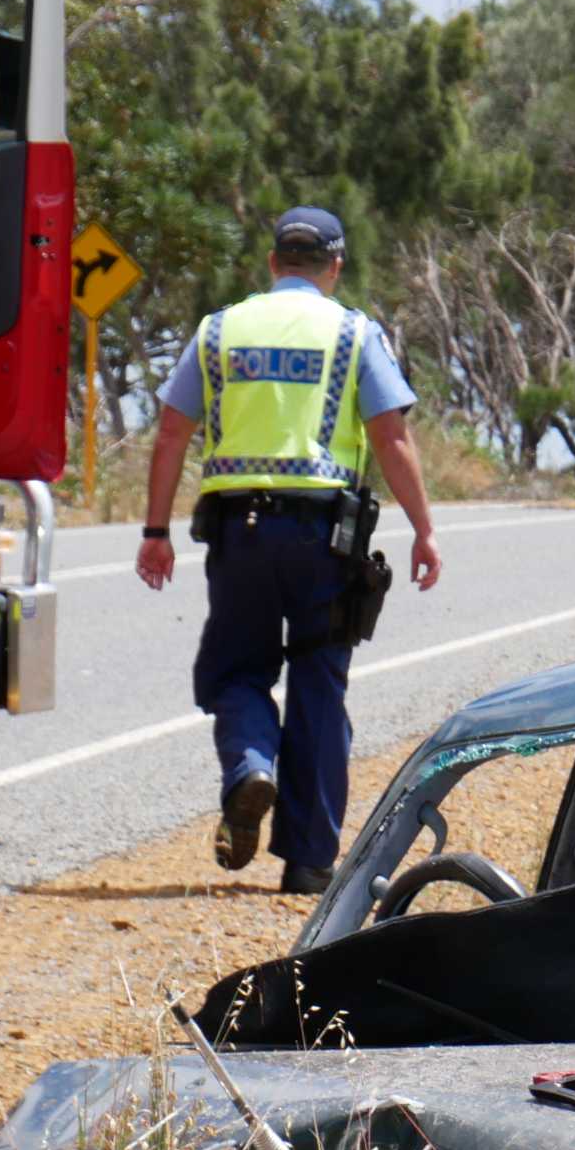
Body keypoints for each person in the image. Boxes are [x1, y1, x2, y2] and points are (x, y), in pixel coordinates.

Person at [137, 208, 441, 894]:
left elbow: (171, 433)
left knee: (238, 671)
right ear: (334, 267)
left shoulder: (218, 330)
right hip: (325, 538)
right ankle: (307, 863)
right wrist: (424, 529)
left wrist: (155, 532)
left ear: (274, 263)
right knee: (318, 686)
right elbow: (390, 437)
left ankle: (251, 765)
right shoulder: (353, 333)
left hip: (238, 533)